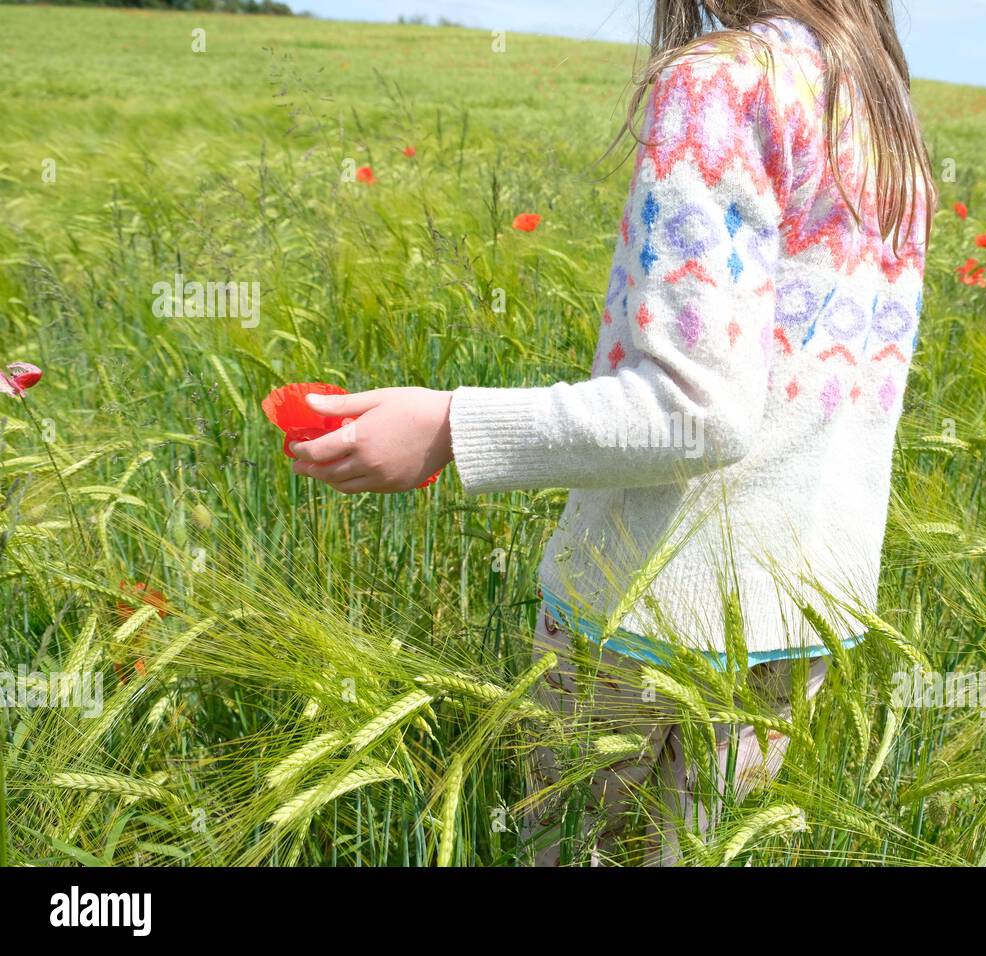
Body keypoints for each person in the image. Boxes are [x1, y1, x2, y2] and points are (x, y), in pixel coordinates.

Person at [289, 1, 933, 865]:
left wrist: (450, 424)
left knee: (564, 851)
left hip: (646, 604)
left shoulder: (722, 80)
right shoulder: (875, 102)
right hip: (805, 617)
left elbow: (697, 409)